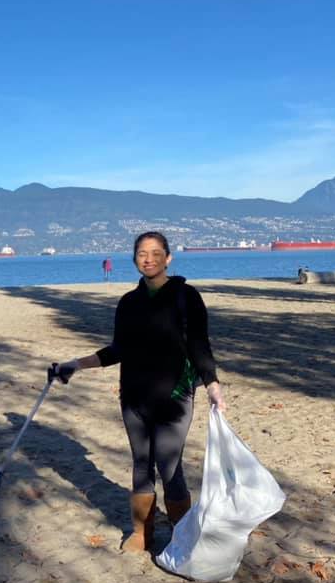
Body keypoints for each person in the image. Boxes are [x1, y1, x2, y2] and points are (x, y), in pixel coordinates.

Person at [52, 231, 226, 553]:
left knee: (169, 463)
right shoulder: (128, 303)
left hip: (175, 397)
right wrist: (74, 364)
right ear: (134, 260)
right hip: (133, 397)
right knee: (141, 463)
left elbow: (199, 345)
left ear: (168, 258)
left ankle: (182, 535)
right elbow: (118, 349)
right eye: (142, 253)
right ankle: (141, 533)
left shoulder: (186, 297)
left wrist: (212, 384)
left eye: (156, 253)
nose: (149, 258)